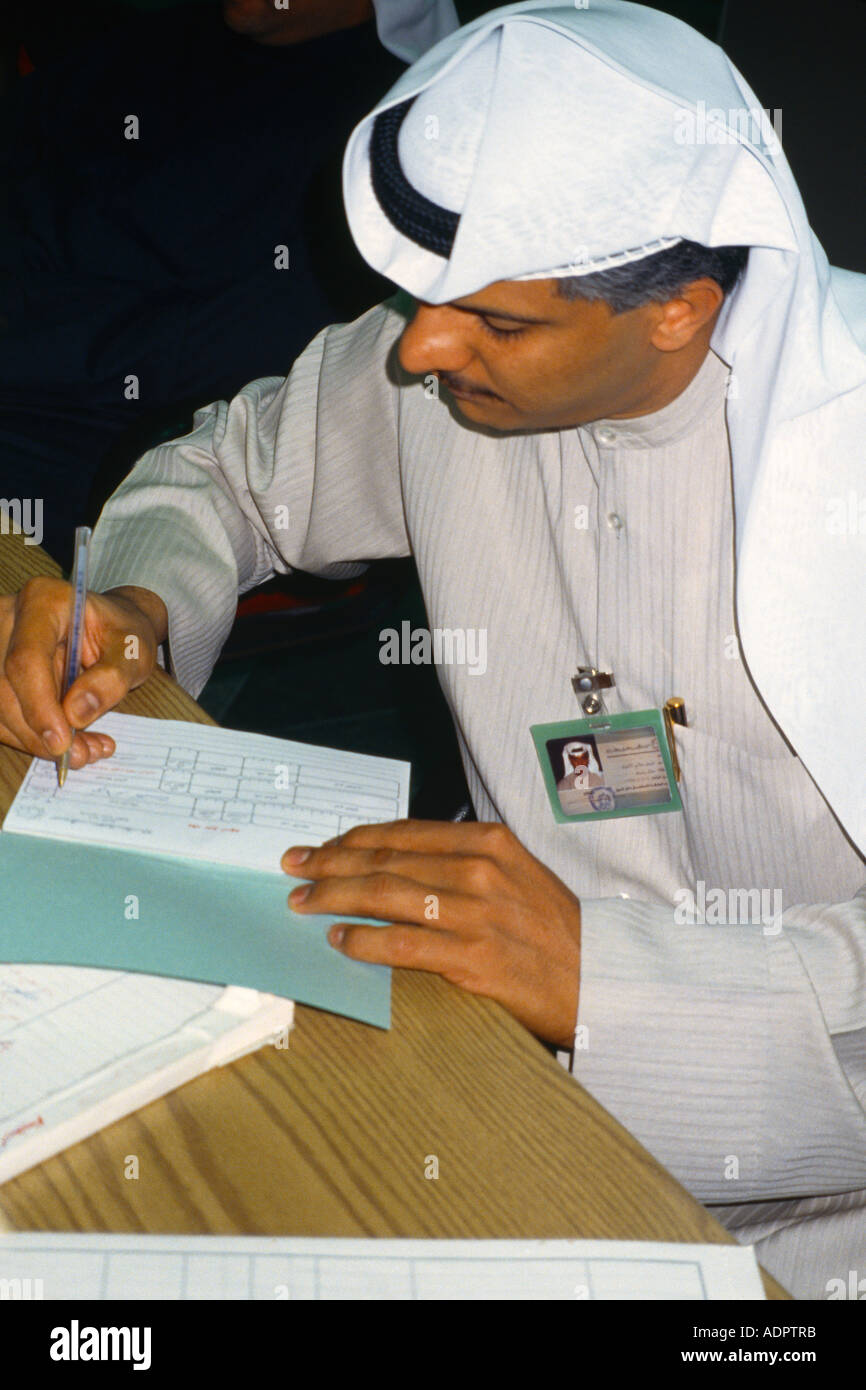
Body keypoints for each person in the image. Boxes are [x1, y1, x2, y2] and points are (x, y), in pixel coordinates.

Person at [1, 1, 864, 1299]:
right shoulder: (451, 373)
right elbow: (227, 473)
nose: (420, 347)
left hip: (814, 1225)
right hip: (470, 1051)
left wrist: (606, 978)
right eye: (423, 296)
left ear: (680, 310)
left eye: (500, 325)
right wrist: (135, 606)